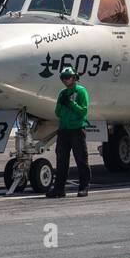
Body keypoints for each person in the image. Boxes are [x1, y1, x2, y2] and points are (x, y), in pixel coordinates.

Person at [48, 66, 91, 198]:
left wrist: (71, 104)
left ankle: (84, 187)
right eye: (64, 78)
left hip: (77, 129)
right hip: (64, 130)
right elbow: (58, 112)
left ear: (74, 77)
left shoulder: (81, 91)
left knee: (81, 159)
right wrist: (63, 104)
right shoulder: (62, 93)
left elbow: (84, 111)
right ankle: (59, 189)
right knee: (61, 160)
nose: (66, 80)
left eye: (68, 77)